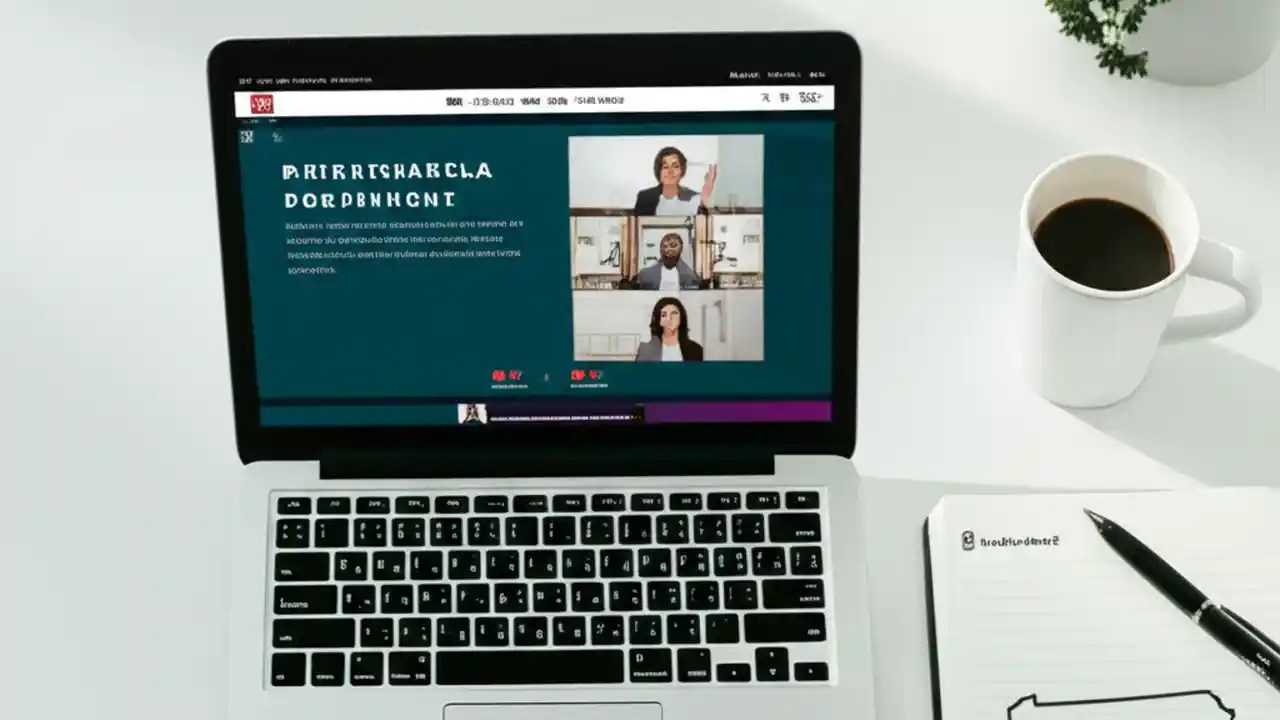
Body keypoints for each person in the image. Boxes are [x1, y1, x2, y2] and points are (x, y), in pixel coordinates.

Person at [633, 146, 717, 216]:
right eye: (665, 167)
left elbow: (702, 225)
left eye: (675, 166)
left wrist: (705, 195)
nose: (670, 171)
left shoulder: (692, 197)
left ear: (682, 170)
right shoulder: (645, 198)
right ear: (658, 171)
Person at [635, 297, 704, 362]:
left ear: (681, 317)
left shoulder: (696, 350)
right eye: (664, 315)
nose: (669, 318)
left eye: (674, 313)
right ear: (658, 319)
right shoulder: (645, 350)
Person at [633, 232, 700, 291]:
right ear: (660, 250)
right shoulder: (645, 274)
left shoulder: (691, 276)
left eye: (673, 245)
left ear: (681, 248)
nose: (668, 249)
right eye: (664, 246)